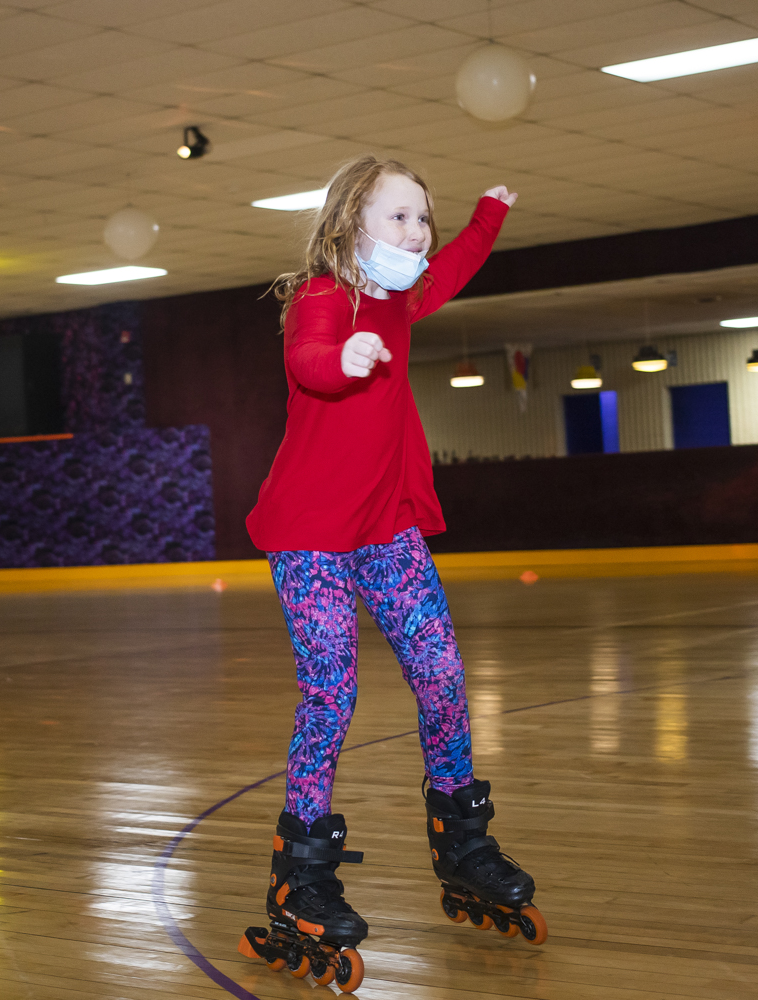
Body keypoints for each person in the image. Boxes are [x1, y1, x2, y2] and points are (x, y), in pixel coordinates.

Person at [235, 156, 540, 989]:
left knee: (443, 678)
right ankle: (300, 870)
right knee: (332, 692)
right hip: (310, 537)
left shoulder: (404, 297)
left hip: (386, 527)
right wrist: (350, 359)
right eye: (401, 217)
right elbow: (310, 364)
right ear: (349, 223)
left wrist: (487, 215)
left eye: (423, 218)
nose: (418, 233)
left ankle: (464, 843)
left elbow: (457, 264)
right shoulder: (323, 298)